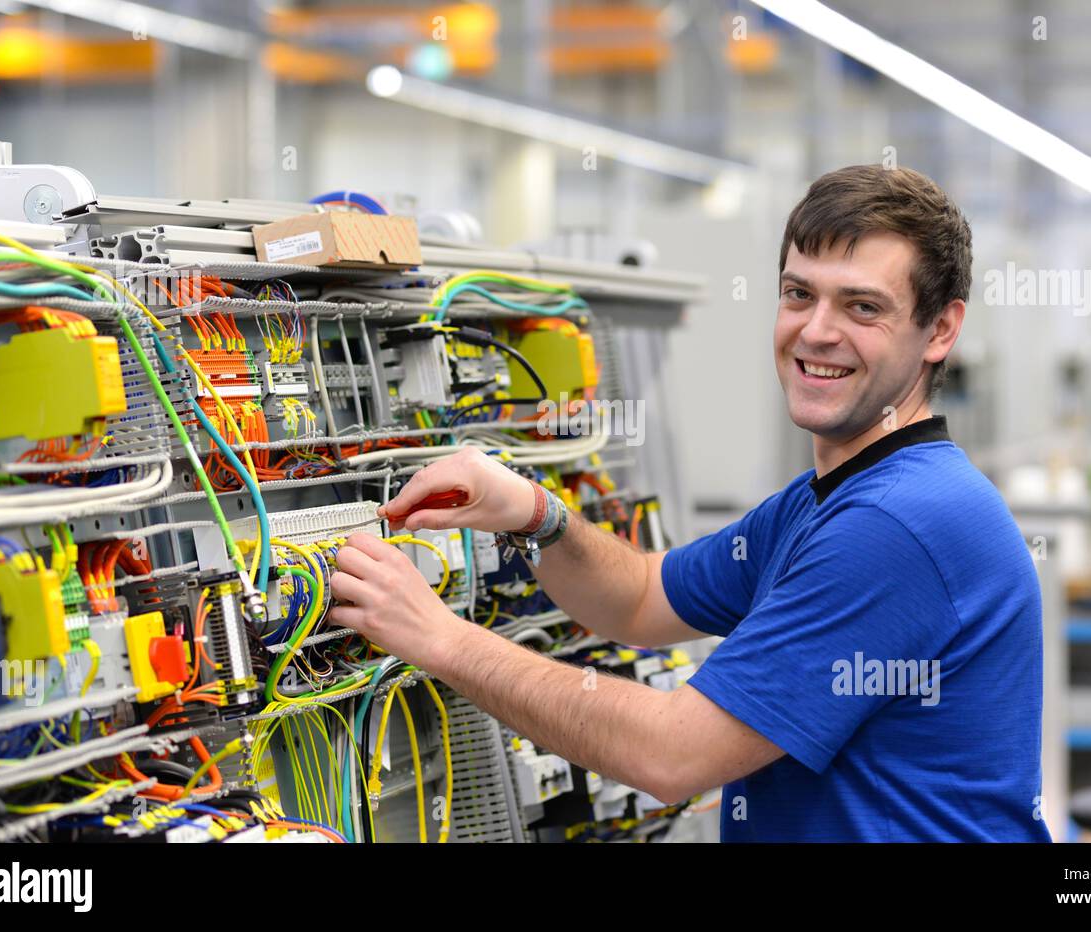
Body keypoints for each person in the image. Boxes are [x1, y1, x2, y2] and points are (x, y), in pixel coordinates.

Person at [330, 164, 1051, 842]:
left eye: (862, 306)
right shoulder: (825, 502)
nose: (817, 330)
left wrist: (440, 639)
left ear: (942, 330)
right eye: (800, 294)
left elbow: (670, 753)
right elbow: (640, 598)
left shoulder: (895, 525)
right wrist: (533, 513)